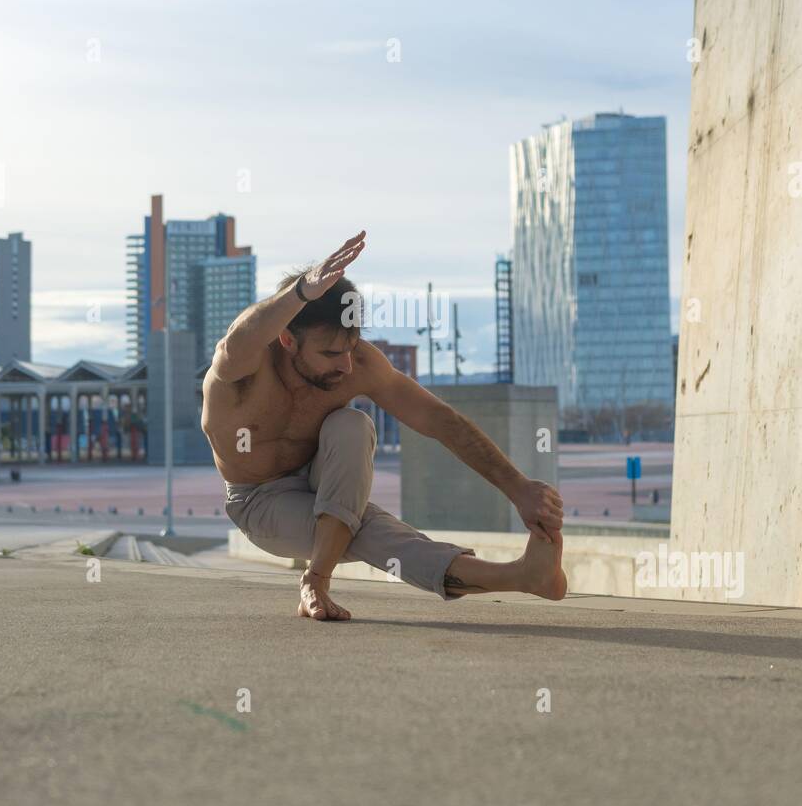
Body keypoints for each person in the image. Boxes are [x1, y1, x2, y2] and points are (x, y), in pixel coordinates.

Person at [201, 230, 566, 622]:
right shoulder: (246, 370)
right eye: (330, 353)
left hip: (324, 482)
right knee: (361, 531)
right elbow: (236, 341)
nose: (346, 365)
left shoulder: (358, 364)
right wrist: (302, 290)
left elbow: (441, 421)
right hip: (259, 499)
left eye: (351, 347)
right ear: (288, 340)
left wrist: (519, 488)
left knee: (353, 424)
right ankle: (519, 576)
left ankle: (529, 576)